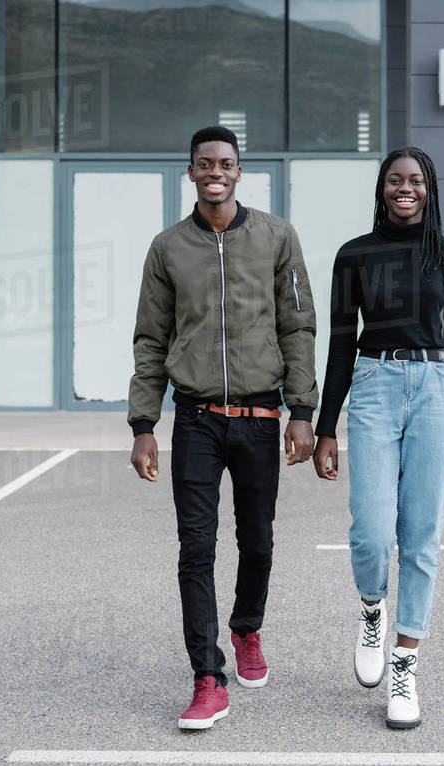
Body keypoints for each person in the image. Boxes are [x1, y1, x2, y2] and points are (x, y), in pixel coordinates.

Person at [128, 126, 318, 730]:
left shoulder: (277, 237)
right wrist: (143, 422)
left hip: (262, 418)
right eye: (205, 163)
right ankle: (207, 677)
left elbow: (298, 328)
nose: (216, 171)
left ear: (240, 171)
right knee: (196, 548)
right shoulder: (167, 248)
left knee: (257, 540)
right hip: (197, 422)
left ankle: (247, 630)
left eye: (226, 163)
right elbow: (151, 340)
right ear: (191, 172)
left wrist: (303, 412)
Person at [313, 146, 444, 729]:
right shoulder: (354, 255)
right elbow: (339, 342)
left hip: (437, 387)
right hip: (373, 383)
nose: (404, 188)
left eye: (415, 180)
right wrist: (325, 425)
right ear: (382, 188)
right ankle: (371, 609)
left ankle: (405, 668)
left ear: (430, 189)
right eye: (395, 180)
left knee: (422, 537)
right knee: (371, 528)